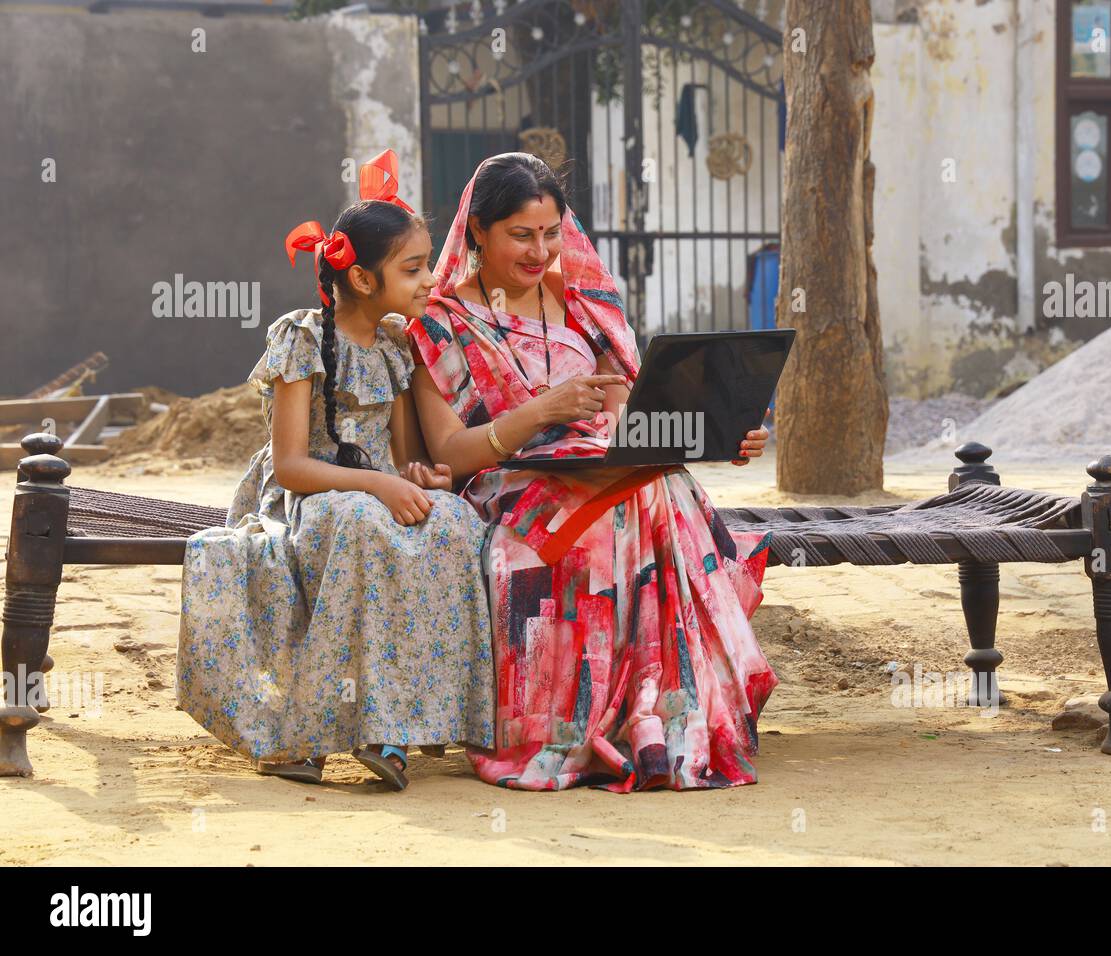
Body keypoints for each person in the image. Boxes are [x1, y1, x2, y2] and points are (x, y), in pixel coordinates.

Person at [407, 152, 775, 792]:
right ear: (478, 233)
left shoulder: (583, 304)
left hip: (605, 468)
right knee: (609, 518)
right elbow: (450, 452)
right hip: (512, 481)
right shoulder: (438, 324)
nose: (539, 250)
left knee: (652, 484)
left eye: (551, 233)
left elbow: (628, 414)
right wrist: (540, 412)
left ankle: (653, 714)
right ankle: (578, 726)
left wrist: (717, 435)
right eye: (521, 235)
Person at [176, 163, 494, 791]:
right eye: (413, 269)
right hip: (306, 496)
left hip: (373, 495)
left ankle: (400, 722)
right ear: (360, 277)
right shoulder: (302, 339)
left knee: (455, 522)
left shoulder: (396, 347)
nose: (429, 280)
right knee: (354, 523)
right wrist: (380, 486)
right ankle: (328, 728)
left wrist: (421, 477)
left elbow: (402, 458)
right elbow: (293, 464)